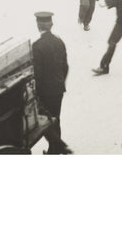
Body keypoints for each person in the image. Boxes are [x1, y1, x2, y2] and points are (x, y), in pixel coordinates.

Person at [31, 11, 72, 155]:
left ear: (38, 25)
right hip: (58, 89)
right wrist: (60, 82)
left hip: (45, 92)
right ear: (51, 24)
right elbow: (65, 66)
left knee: (47, 120)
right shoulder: (59, 41)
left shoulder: (37, 46)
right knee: (56, 119)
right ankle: (55, 149)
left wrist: (37, 93)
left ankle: (56, 149)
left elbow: (38, 74)